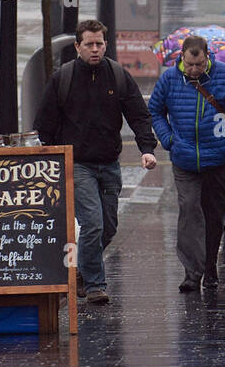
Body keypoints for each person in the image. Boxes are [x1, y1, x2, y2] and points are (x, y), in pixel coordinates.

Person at [35, 19, 160, 307]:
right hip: (78, 164)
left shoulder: (117, 76)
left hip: (109, 162)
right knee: (92, 224)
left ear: (106, 44)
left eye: (99, 44)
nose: (95, 49)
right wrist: (51, 157)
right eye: (89, 44)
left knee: (109, 227)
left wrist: (146, 149)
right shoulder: (63, 78)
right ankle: (95, 285)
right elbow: (45, 124)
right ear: (77, 46)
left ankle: (80, 270)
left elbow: (138, 115)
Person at [148, 35, 225, 292]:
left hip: (218, 158)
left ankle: (209, 266)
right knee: (188, 209)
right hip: (184, 158)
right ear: (181, 58)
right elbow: (155, 110)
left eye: (198, 64)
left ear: (207, 57)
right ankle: (192, 272)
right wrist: (167, 139)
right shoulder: (170, 79)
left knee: (213, 213)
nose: (193, 70)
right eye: (189, 64)